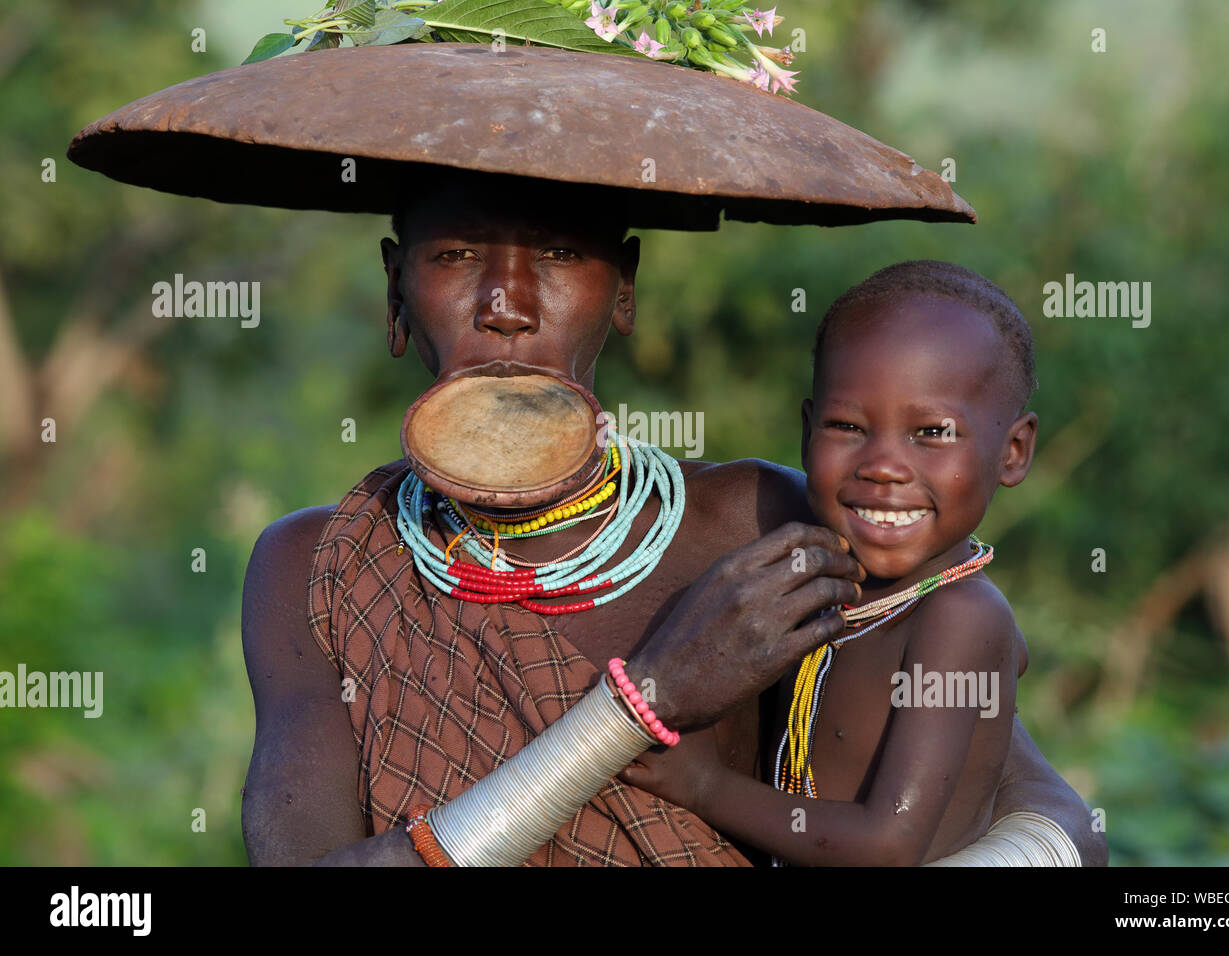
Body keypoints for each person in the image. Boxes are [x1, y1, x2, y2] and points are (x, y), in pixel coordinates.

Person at [239, 176, 1106, 866]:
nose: (508, 302)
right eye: (458, 253)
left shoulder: (766, 522)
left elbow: (1052, 819)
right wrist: (640, 705)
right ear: (396, 288)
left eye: (559, 251)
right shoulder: (321, 563)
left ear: (624, 289)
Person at [622, 260, 1066, 865]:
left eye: (932, 432)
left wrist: (707, 788)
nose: (882, 465)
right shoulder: (825, 581)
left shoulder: (960, 619)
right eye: (847, 426)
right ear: (807, 433)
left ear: (1013, 452)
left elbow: (889, 844)